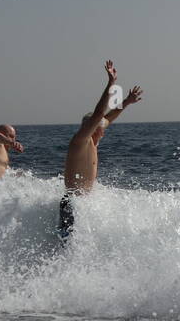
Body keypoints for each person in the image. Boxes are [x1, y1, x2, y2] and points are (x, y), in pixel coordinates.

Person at [59, 60, 143, 240]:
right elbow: (99, 115)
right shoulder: (80, 141)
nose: (105, 130)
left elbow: (107, 118)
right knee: (66, 250)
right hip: (71, 205)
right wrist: (111, 84)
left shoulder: (93, 141)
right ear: (93, 128)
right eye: (101, 127)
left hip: (83, 205)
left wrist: (126, 102)